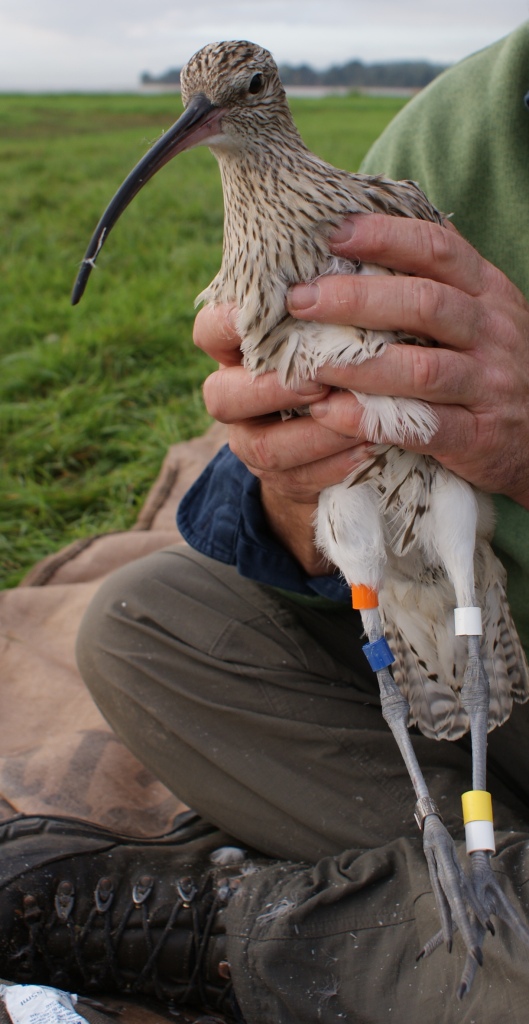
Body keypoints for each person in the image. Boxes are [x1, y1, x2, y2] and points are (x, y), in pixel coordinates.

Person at [1, 22, 529, 1024]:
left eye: (234, 95)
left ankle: (257, 922)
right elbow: (263, 512)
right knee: (137, 623)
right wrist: (283, 487)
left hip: (474, 606)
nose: (190, 131)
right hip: (443, 622)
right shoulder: (447, 137)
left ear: (266, 95)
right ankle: (469, 877)